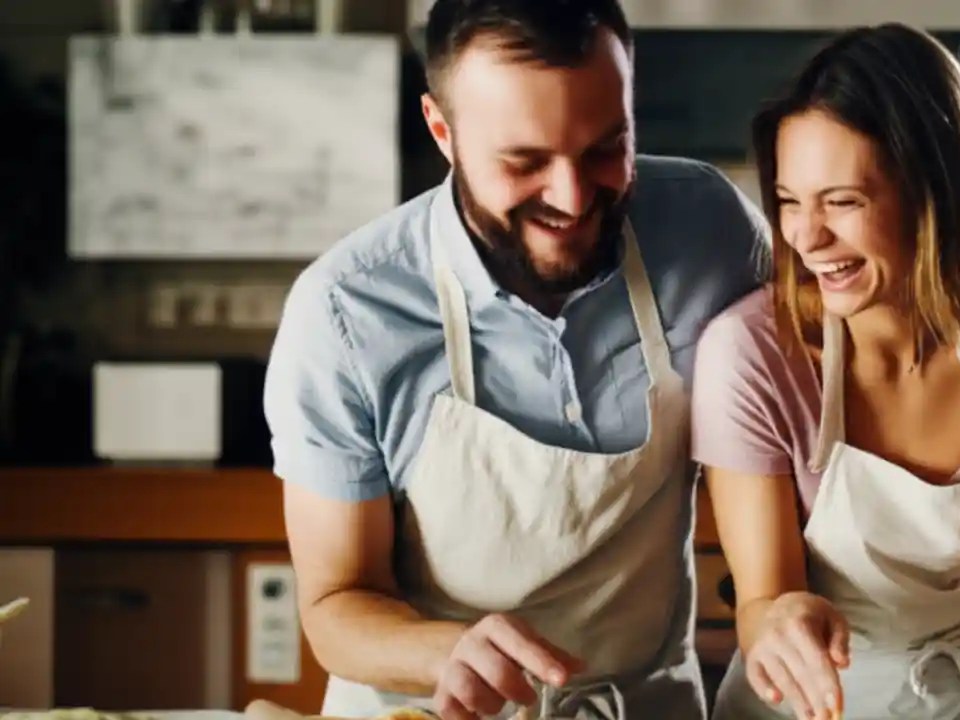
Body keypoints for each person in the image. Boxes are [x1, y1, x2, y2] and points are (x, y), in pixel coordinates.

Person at [262, 1, 766, 718]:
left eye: (604, 148)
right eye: (524, 161)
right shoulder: (346, 313)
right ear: (444, 131)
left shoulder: (707, 230)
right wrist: (444, 651)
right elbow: (336, 603)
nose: (571, 196)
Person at [691, 24, 960, 720]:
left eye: (843, 202)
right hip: (811, 703)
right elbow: (764, 595)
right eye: (791, 200)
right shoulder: (752, 352)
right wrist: (781, 622)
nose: (805, 236)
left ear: (936, 192)